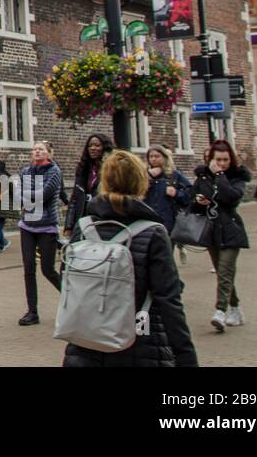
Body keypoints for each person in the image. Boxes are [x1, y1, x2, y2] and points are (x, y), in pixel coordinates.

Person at [62, 151, 198, 367]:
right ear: (141, 183)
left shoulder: (84, 228)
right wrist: (186, 357)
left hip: (86, 342)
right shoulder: (153, 232)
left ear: (104, 182)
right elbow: (168, 300)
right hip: (139, 342)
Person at [192, 140, 251, 333]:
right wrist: (199, 201)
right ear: (211, 159)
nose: (222, 163)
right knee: (222, 272)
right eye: (218, 160)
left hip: (231, 229)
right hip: (211, 230)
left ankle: (220, 311)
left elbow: (232, 197)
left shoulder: (237, 177)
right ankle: (235, 308)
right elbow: (191, 201)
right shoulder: (202, 176)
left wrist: (220, 175)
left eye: (225, 160)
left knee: (225, 271)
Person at [17, 141, 63, 326]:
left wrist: (28, 197)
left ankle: (74, 300)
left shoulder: (54, 172)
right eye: (34, 149)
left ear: (49, 153)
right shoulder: (25, 172)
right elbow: (19, 194)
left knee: (47, 269)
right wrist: (28, 197)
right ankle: (32, 311)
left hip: (46, 226)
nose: (37, 152)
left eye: (41, 149)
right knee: (29, 269)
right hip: (27, 225)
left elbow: (44, 195)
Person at [144, 145, 193, 265]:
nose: (154, 159)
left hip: (168, 221)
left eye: (157, 156)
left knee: (165, 257)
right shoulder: (143, 175)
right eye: (151, 156)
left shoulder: (174, 175)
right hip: (147, 221)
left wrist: (177, 193)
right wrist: (147, 178)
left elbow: (191, 193)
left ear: (164, 158)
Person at [63, 134, 107, 238]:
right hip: (83, 216)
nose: (93, 148)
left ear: (104, 148)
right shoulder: (84, 169)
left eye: (97, 146)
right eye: (90, 146)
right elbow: (74, 198)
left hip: (100, 217)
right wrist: (69, 226)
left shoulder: (109, 170)